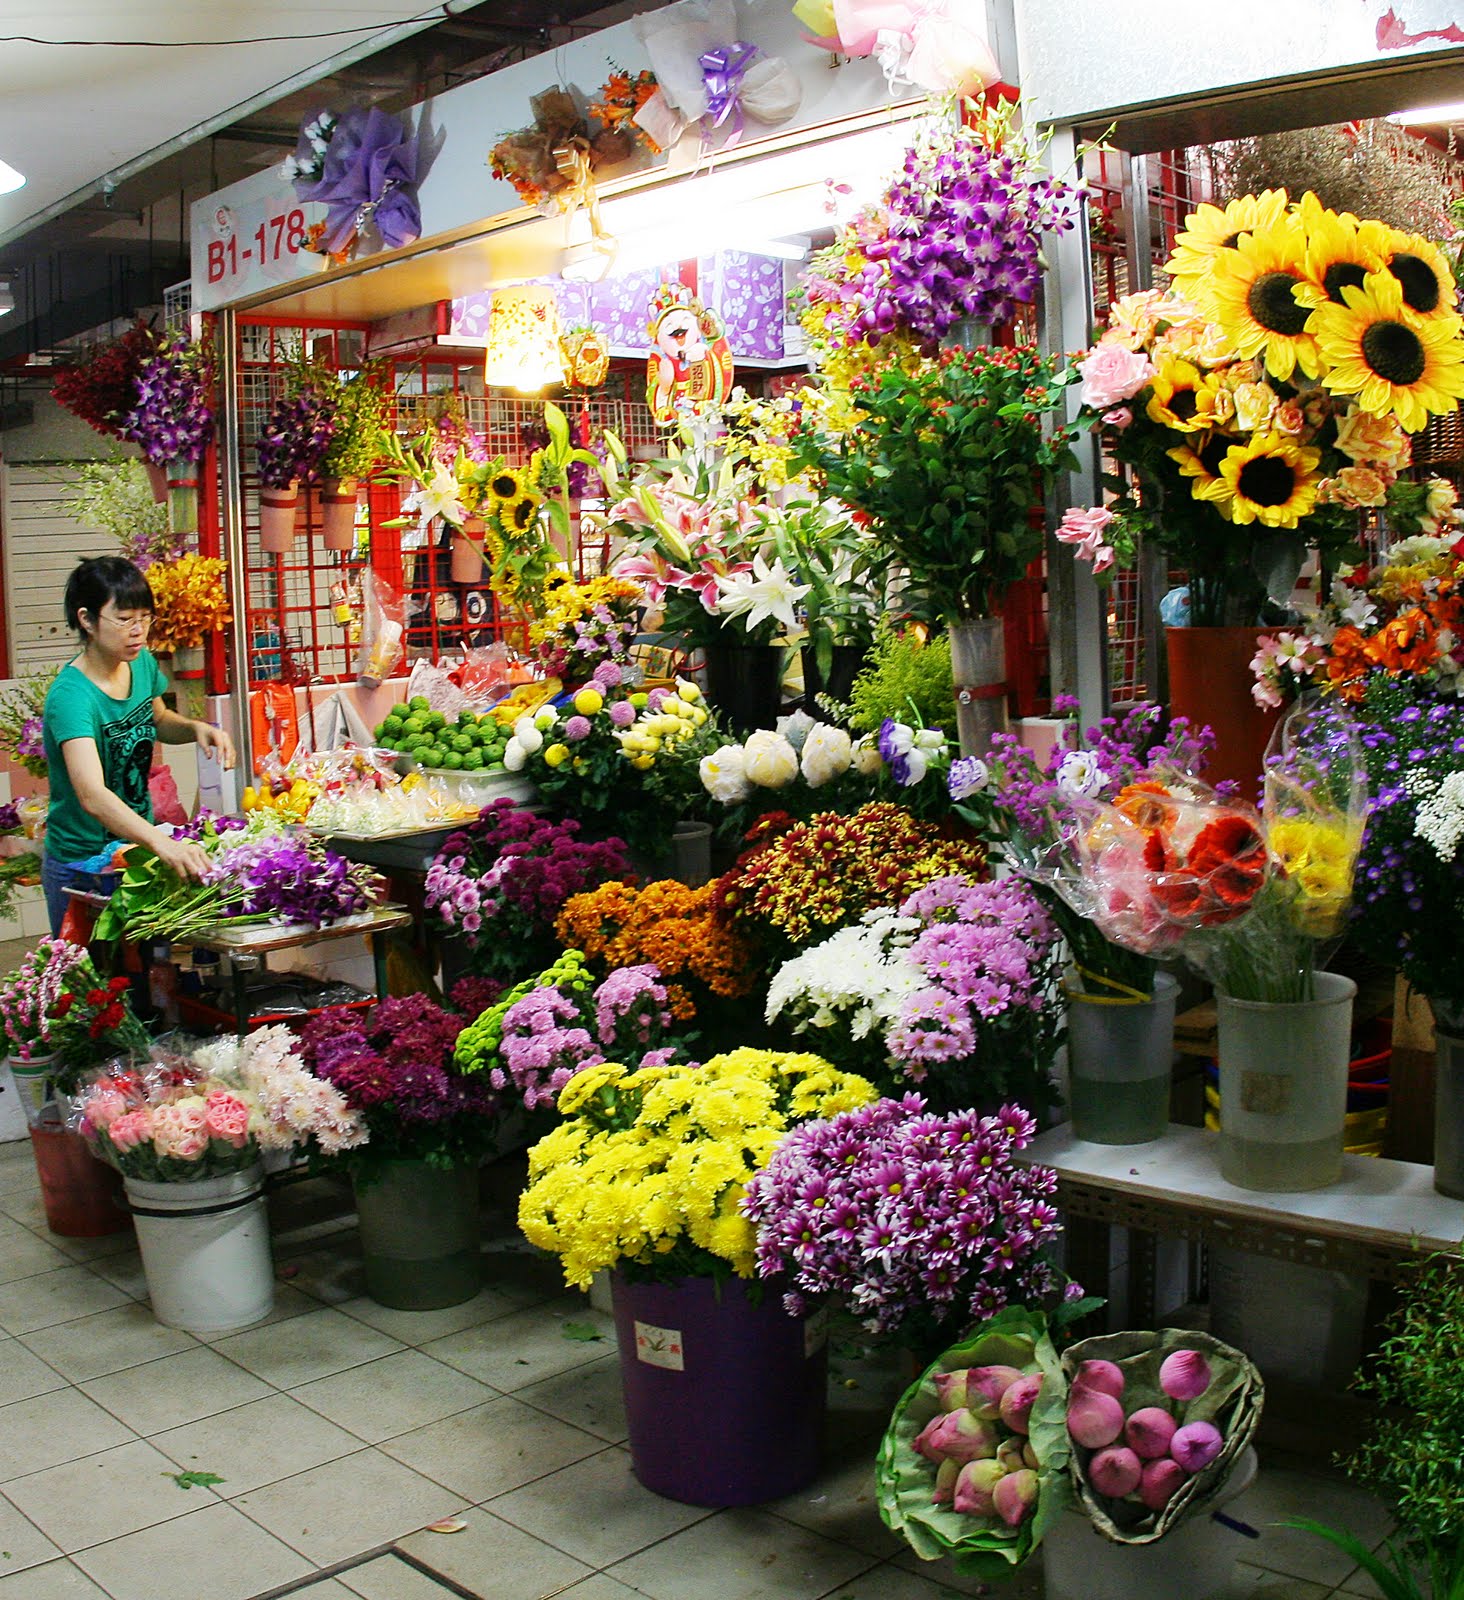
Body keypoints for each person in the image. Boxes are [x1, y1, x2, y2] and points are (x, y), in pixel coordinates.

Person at [41, 556, 236, 935]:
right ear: (87, 619)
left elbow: (158, 719)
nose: (138, 631)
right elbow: (92, 795)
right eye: (125, 619)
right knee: (92, 987)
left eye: (145, 618)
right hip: (83, 865)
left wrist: (195, 728)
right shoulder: (72, 697)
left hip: (132, 851)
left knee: (146, 981)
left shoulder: (141, 664)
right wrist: (164, 844)